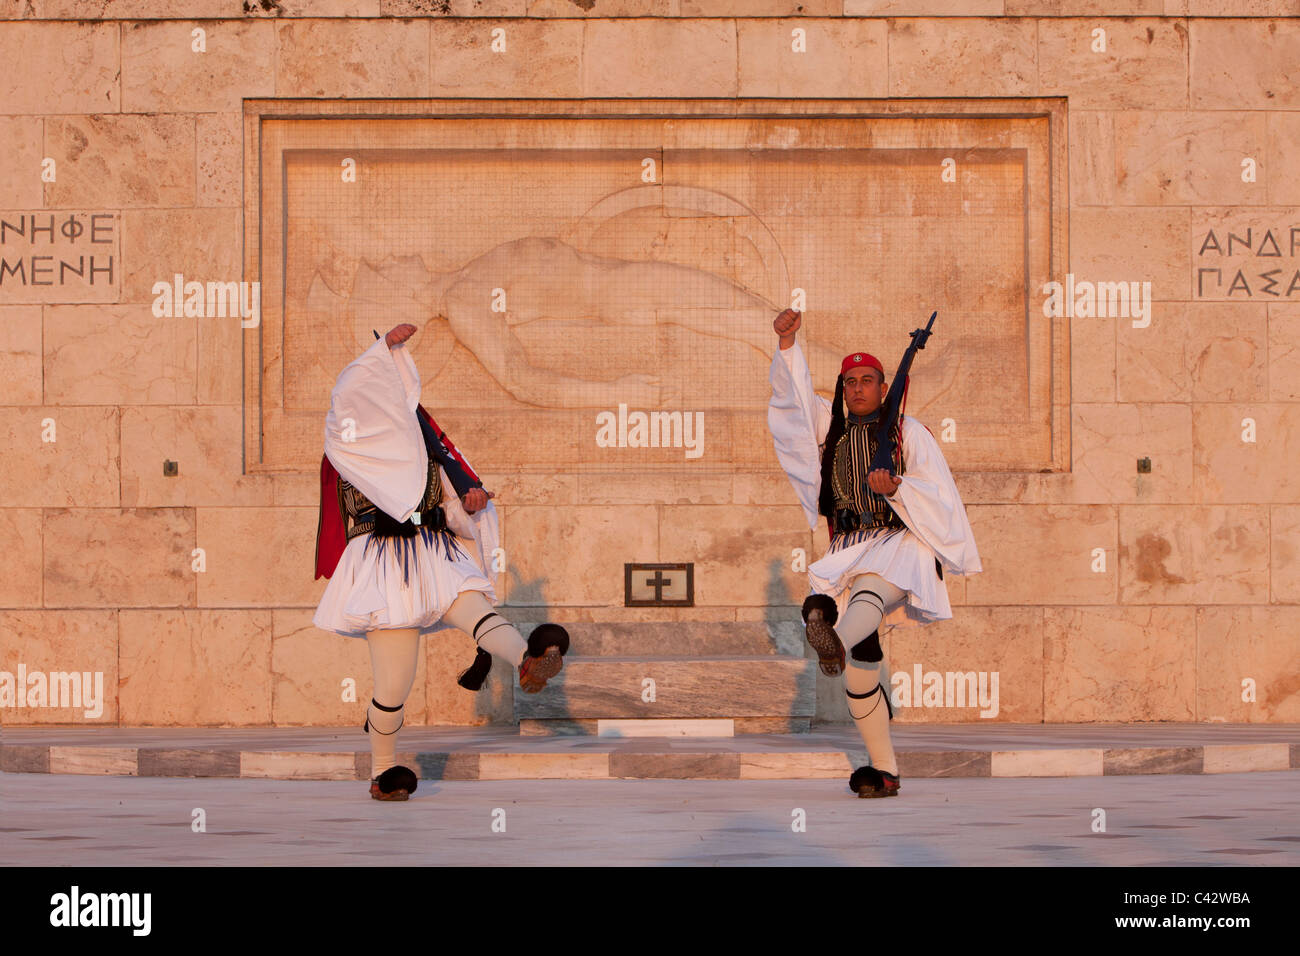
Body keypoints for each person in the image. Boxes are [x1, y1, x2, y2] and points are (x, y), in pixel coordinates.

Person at [313, 323, 569, 801]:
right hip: (384, 566)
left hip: (433, 551)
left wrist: (468, 508)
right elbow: (349, 389)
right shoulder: (348, 442)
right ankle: (383, 770)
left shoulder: (422, 445)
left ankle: (528, 661)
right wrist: (382, 349)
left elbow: (446, 508)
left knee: (476, 610)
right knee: (394, 684)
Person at [767, 308, 981, 798]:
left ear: (884, 388)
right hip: (847, 546)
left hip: (900, 544)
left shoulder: (910, 433)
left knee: (868, 594)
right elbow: (794, 403)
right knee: (863, 671)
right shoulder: (831, 431)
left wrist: (898, 487)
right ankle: (883, 771)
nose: (858, 389)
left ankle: (831, 636)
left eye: (868, 381)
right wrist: (787, 344)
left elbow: (940, 495)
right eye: (850, 383)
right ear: (843, 390)